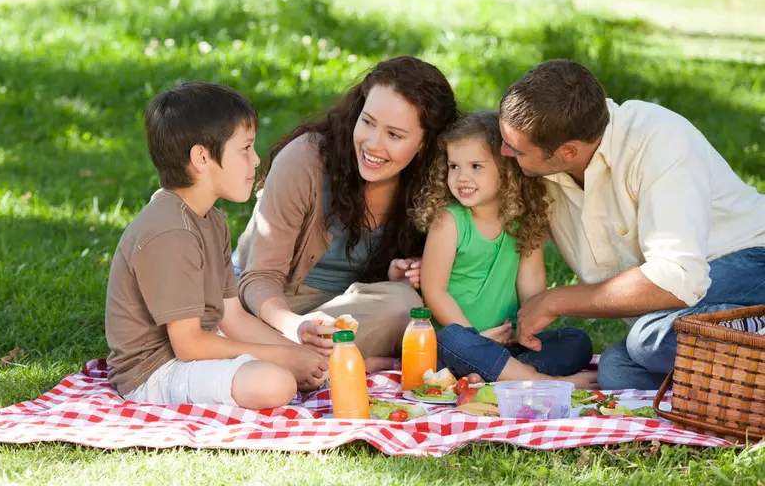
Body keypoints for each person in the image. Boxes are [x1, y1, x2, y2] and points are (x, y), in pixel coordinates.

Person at [497, 59, 765, 390]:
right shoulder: (546, 165)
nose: (503, 152)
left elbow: (677, 278)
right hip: (678, 307)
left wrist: (556, 299)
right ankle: (741, 374)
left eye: (517, 150)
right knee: (618, 370)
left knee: (648, 339)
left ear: (567, 151)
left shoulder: (659, 140)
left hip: (751, 261)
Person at [105, 82, 328, 410]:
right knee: (276, 382)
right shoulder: (170, 231)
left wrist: (295, 352)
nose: (255, 161)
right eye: (245, 148)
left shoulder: (211, 220)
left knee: (300, 366)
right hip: (154, 372)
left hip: (196, 352)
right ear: (202, 157)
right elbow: (188, 345)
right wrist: (284, 357)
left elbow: (232, 317)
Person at [234, 56, 460, 373]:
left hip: (350, 313)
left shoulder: (438, 184)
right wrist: (295, 326)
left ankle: (301, 363)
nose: (372, 144)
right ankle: (330, 363)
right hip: (273, 306)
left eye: (394, 135)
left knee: (405, 305)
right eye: (367, 122)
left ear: (426, 144)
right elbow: (258, 278)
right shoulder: (304, 161)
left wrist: (408, 273)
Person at [414, 111, 596, 388]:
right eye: (454, 166)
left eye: (476, 166)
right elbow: (434, 291)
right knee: (453, 340)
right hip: (458, 344)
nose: (462, 177)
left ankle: (505, 374)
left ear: (506, 170)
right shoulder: (449, 221)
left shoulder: (524, 220)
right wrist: (475, 337)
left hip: (507, 344)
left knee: (577, 342)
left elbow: (532, 287)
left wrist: (528, 331)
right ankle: (546, 382)